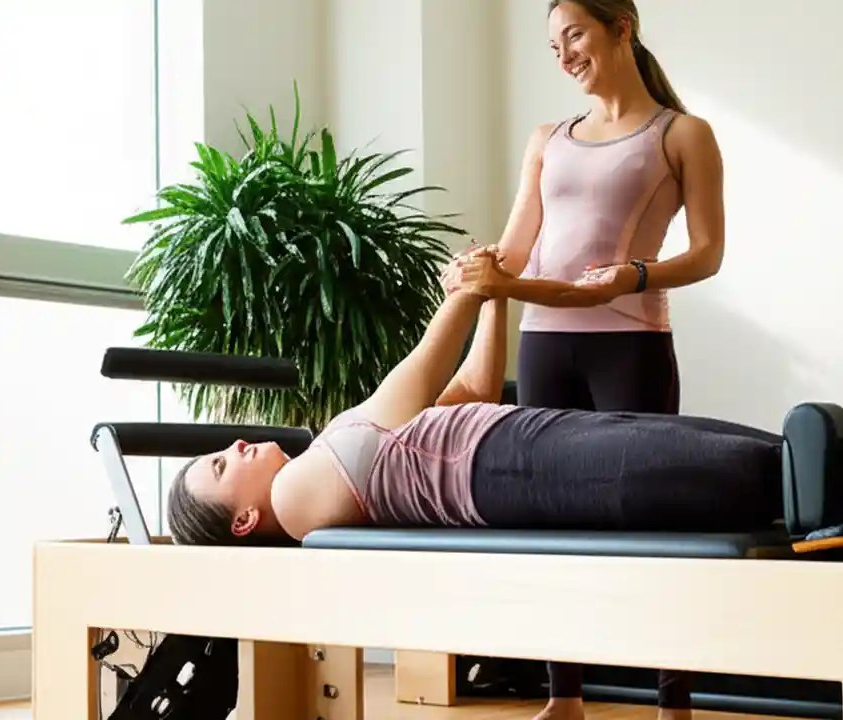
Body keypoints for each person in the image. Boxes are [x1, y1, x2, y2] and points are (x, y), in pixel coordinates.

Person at [165, 256, 782, 720]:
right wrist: (466, 289)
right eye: (221, 466)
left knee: (703, 444)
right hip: (499, 468)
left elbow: (471, 390)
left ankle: (814, 465)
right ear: (244, 522)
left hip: (505, 440)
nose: (236, 445)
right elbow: (414, 381)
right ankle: (807, 481)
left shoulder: (321, 459)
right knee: (706, 466)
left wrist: (493, 298)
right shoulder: (293, 502)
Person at [451, 0, 728, 716]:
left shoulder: (682, 134)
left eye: (574, 35)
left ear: (621, 27)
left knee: (655, 521)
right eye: (553, 46)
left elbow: (707, 254)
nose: (565, 54)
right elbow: (518, 252)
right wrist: (479, 267)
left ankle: (673, 700)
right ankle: (565, 695)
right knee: (549, 520)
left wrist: (636, 276)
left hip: (631, 344)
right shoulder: (549, 138)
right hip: (546, 343)